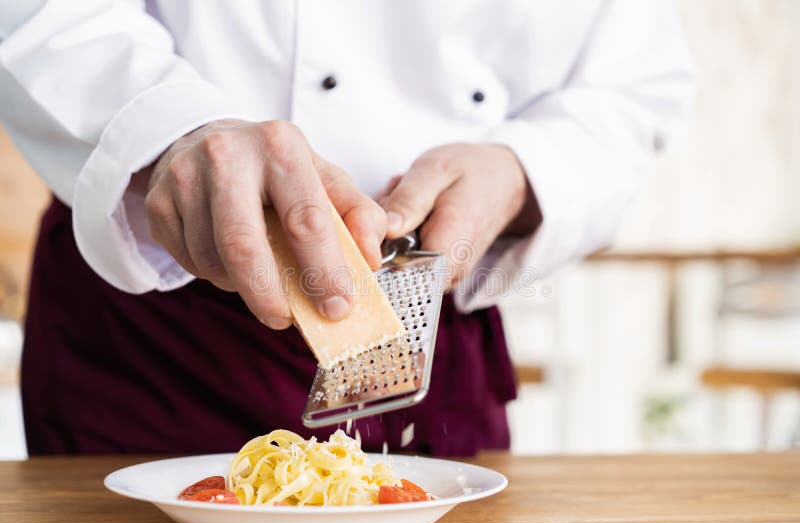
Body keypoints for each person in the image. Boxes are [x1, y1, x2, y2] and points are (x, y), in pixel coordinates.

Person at [0, 1, 692, 456]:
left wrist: (523, 171)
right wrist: (165, 125)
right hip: (153, 331)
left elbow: (636, 84)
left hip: (424, 328)